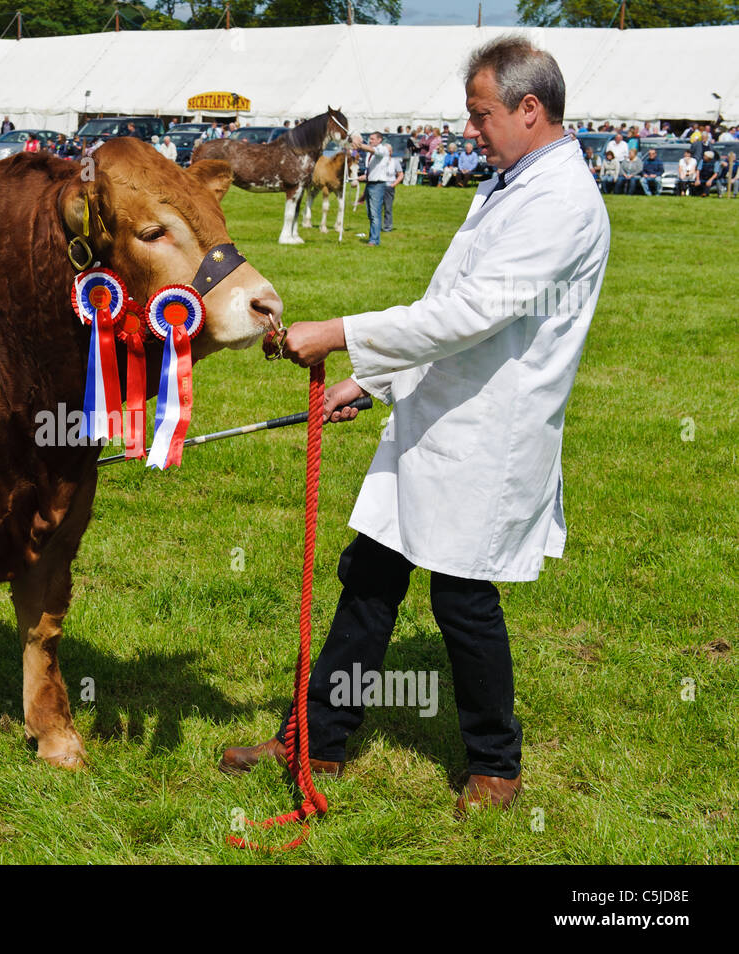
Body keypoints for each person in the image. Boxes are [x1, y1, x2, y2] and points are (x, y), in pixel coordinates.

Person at [221, 35, 610, 816]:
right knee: (369, 580)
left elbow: (469, 315)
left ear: (529, 110)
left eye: (480, 114)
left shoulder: (562, 201)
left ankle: (496, 767)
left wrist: (339, 334)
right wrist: (373, 380)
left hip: (488, 434)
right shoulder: (511, 182)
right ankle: (317, 742)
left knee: (462, 598)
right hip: (438, 416)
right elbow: (451, 306)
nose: (469, 130)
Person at [352, 131, 392, 245]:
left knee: (375, 214)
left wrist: (359, 144)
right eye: (370, 139)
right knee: (370, 214)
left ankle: (374, 240)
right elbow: (370, 167)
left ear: (379, 140)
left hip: (378, 185)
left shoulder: (382, 149)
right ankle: (373, 237)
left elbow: (371, 149)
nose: (370, 141)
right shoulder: (370, 154)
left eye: (373, 139)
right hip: (370, 183)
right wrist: (354, 149)